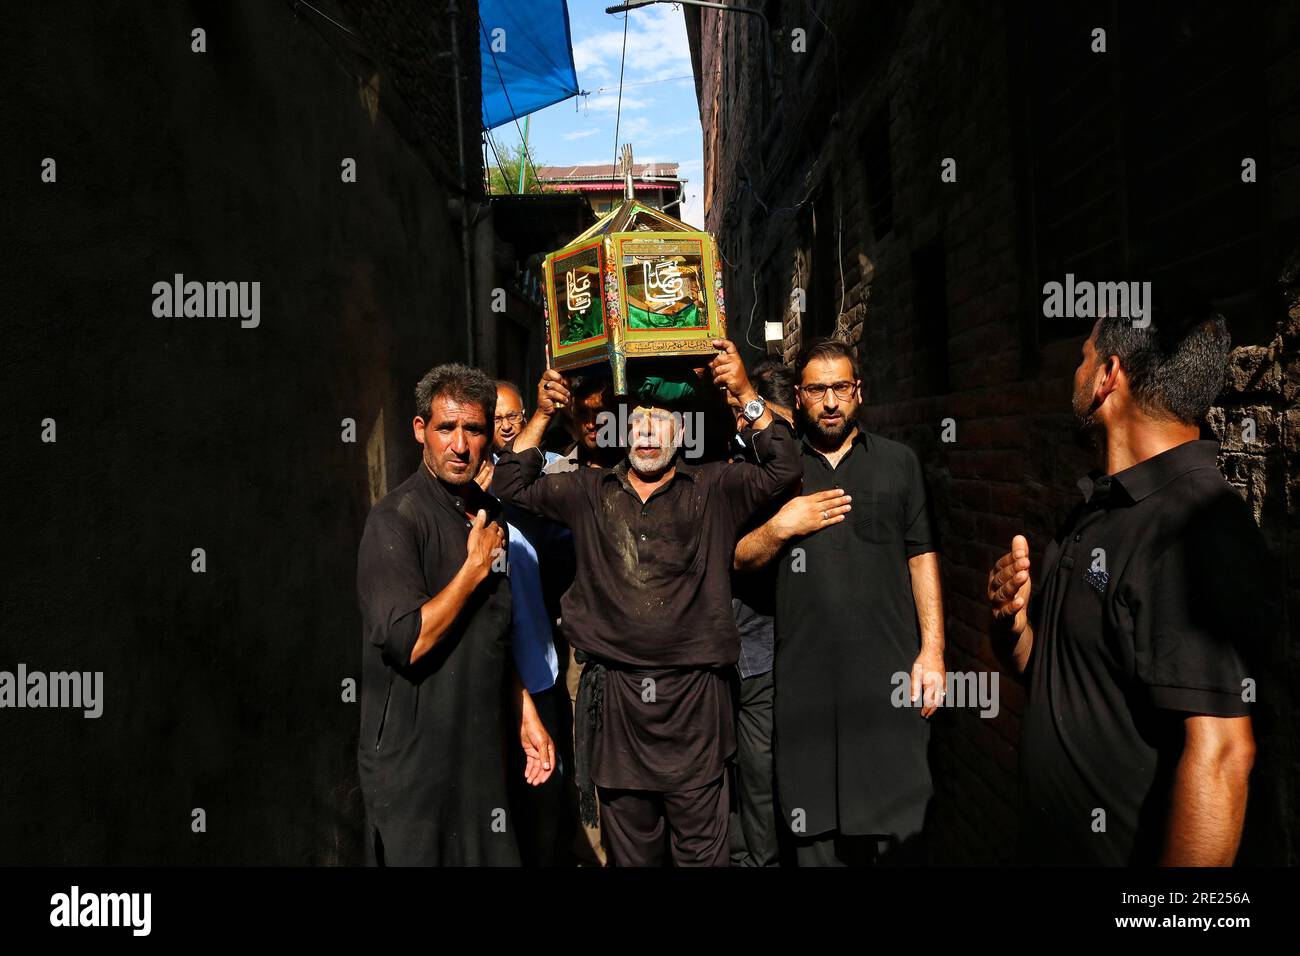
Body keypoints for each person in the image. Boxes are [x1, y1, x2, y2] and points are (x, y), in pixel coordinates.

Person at [493, 340, 801, 866]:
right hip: (617, 709)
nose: (648, 432)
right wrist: (544, 412)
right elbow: (508, 482)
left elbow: (784, 467)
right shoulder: (587, 492)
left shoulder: (714, 488)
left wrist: (745, 392)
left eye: (662, 422)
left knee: (703, 855)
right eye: (638, 422)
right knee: (634, 856)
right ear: (622, 433)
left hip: (696, 709)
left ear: (681, 435)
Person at [987, 311, 1269, 865]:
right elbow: (1055, 669)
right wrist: (1013, 627)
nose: (1076, 372)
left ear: (1108, 375)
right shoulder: (1099, 509)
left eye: (1082, 357)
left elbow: (1223, 756)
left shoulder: (1195, 528)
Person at [735, 338, 945, 866]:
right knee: (813, 838)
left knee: (894, 834)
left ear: (859, 392)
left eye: (841, 388)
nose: (830, 402)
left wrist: (934, 652)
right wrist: (781, 526)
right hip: (805, 690)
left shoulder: (899, 464)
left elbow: (921, 557)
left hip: (888, 684)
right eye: (816, 390)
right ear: (799, 397)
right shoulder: (776, 473)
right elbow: (738, 558)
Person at [356, 364, 554, 866]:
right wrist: (472, 569)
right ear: (421, 430)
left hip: (481, 760)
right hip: (416, 771)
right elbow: (409, 641)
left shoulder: (491, 516)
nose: (461, 446)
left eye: (474, 430)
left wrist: (524, 710)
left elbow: (496, 630)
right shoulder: (395, 520)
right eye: (447, 428)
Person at [478, 380, 568, 866]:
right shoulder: (472, 492)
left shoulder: (549, 470)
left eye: (516, 416)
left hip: (539, 663)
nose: (508, 426)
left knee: (544, 803)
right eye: (497, 419)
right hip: (494, 680)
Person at [725, 360, 798, 866]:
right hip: (744, 650)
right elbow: (736, 553)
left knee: (769, 775)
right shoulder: (739, 471)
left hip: (784, 647)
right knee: (747, 774)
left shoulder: (799, 467)